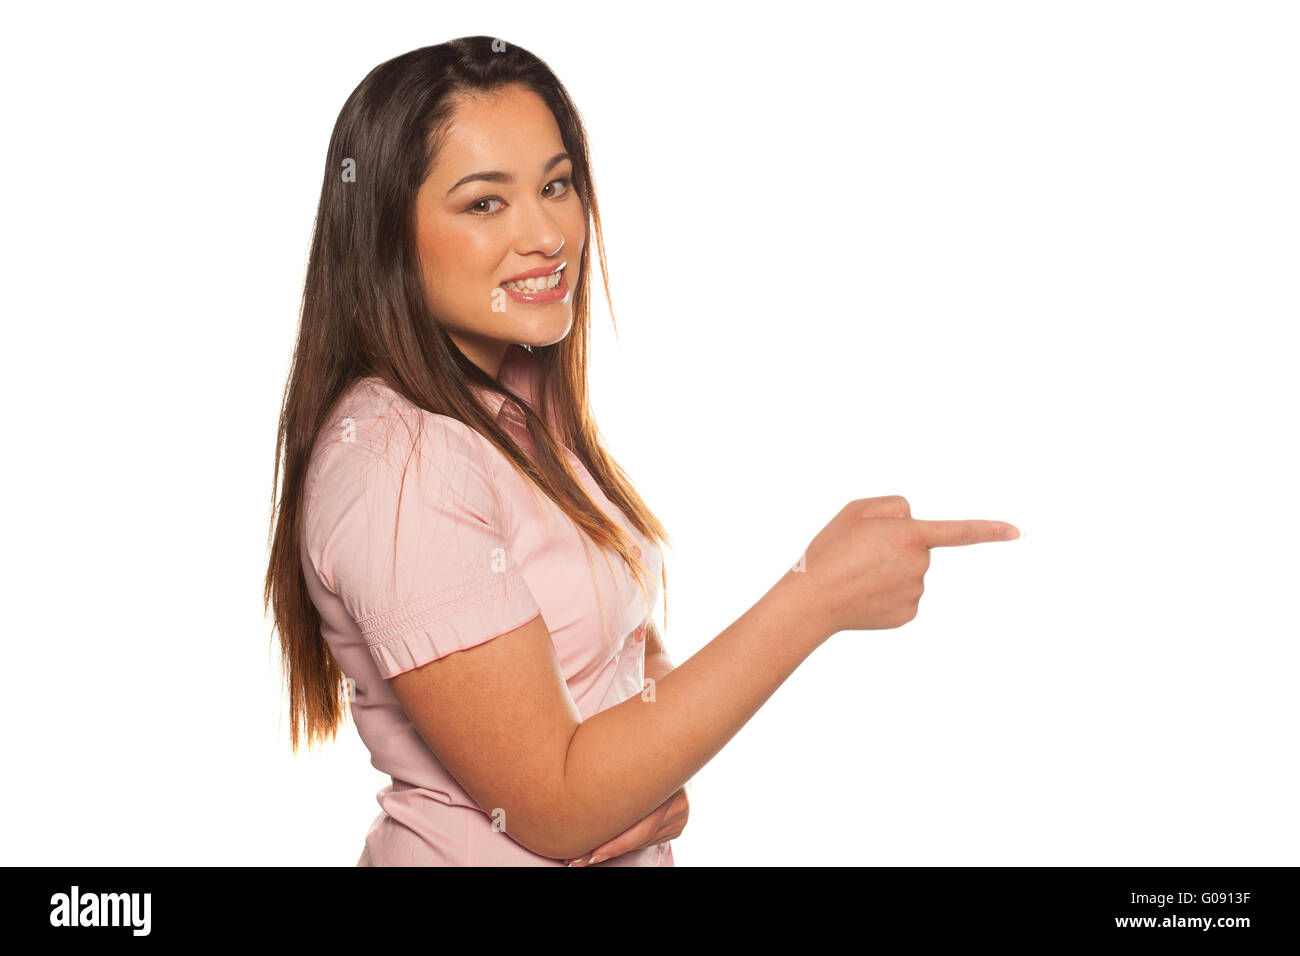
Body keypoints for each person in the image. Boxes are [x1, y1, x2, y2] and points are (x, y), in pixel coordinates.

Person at [263, 37, 1021, 867]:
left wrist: (647, 773)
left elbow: (622, 662)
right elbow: (550, 808)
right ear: (384, 233)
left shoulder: (512, 398)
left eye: (557, 187)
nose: (546, 234)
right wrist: (817, 596)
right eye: (485, 204)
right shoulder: (396, 462)